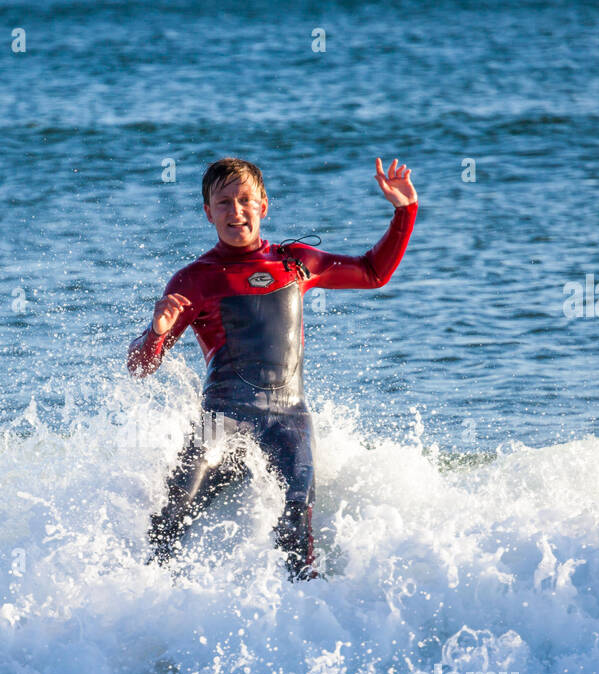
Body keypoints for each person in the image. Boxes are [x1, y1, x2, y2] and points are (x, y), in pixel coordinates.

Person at [127, 156, 418, 579]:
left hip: (288, 417)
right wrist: (155, 333)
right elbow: (140, 368)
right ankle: (142, 597)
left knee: (297, 518)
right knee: (174, 510)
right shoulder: (194, 280)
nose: (236, 210)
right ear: (208, 213)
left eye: (245, 199)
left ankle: (304, 612)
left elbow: (374, 273)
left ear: (264, 205)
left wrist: (404, 211)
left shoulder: (296, 262)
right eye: (223, 202)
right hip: (219, 418)